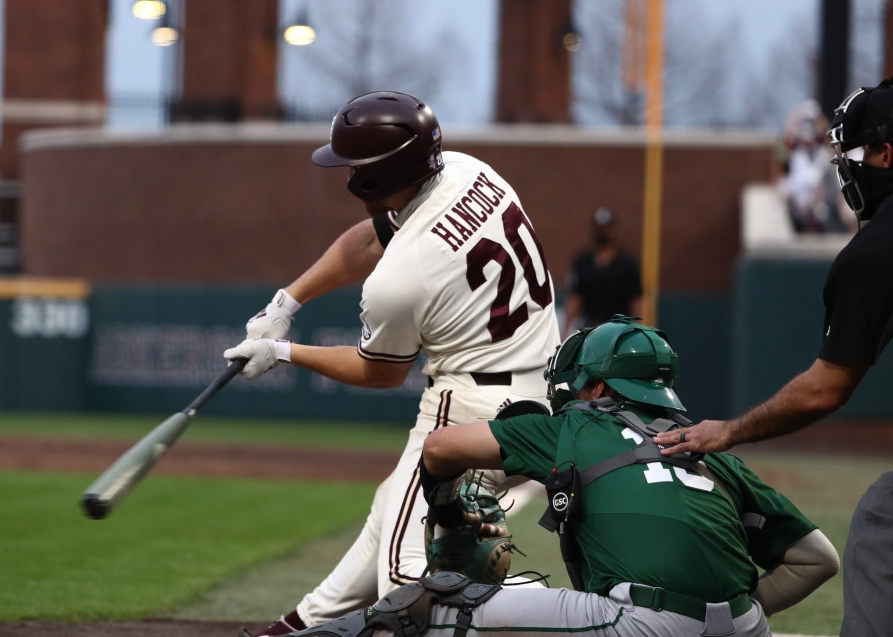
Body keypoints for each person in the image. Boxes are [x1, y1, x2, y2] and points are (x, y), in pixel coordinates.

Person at [225, 91, 560, 635]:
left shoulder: (400, 279)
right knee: (389, 516)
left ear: (375, 177)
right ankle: (294, 627)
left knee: (411, 590)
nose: (347, 174)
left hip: (466, 412)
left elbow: (380, 372)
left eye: (355, 166)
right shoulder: (467, 170)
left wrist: (284, 352)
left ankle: (566, 617)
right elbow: (370, 241)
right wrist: (287, 301)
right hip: (540, 391)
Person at [286, 316, 839, 637]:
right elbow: (818, 561)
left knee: (427, 604)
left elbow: (440, 447)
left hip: (642, 621)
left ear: (597, 388)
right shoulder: (716, 454)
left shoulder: (573, 426)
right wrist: (725, 614)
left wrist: (449, 512)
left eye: (580, 383)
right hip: (745, 628)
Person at [653, 76, 893, 636]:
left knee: (882, 519)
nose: (849, 167)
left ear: (888, 152)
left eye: (857, 152)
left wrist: (728, 431)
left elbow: (828, 386)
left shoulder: (876, 251)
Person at [562, 207, 642, 333]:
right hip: (591, 328)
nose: (603, 233)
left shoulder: (627, 263)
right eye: (599, 229)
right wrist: (566, 329)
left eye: (606, 229)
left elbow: (637, 300)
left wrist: (639, 330)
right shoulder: (583, 261)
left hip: (620, 329)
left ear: (614, 230)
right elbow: (576, 297)